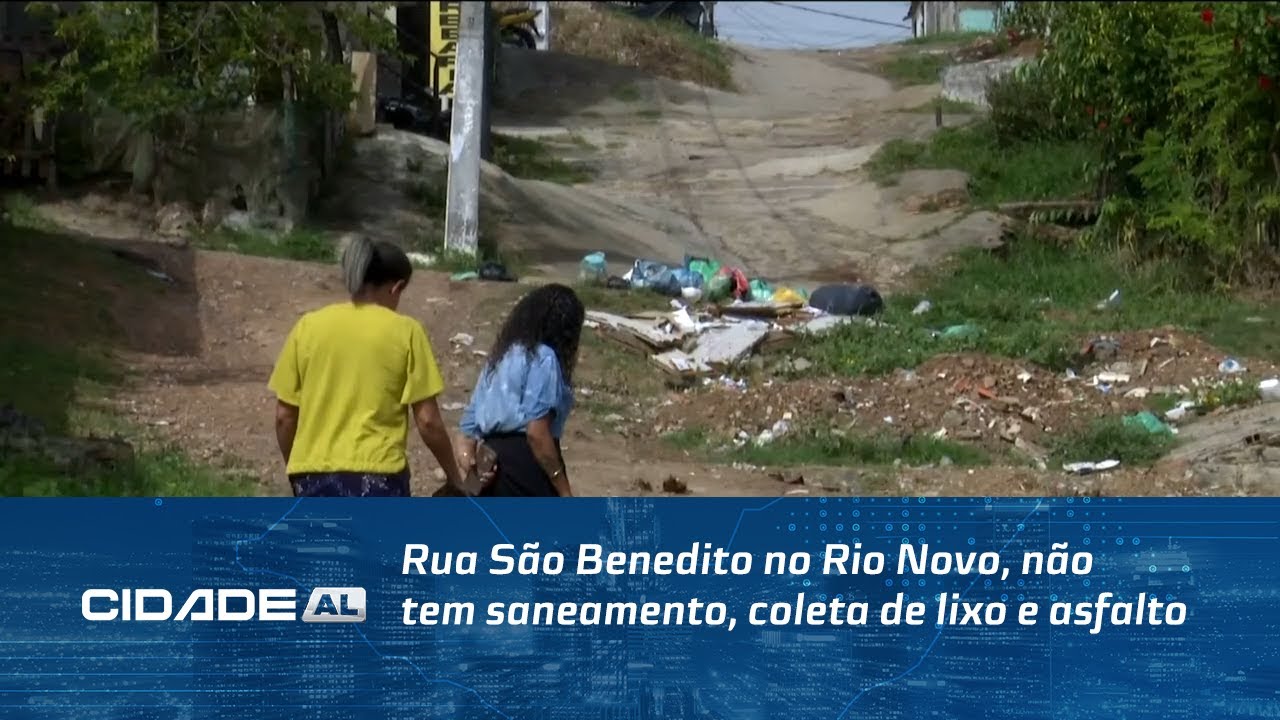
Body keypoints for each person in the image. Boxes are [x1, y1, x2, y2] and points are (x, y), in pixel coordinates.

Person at [267, 235, 464, 497]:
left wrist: (299, 468)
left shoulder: (308, 327)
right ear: (396, 288)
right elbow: (428, 422)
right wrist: (454, 477)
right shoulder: (406, 332)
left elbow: (284, 417)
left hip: (312, 480)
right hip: (378, 480)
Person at [459, 284, 584, 497]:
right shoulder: (544, 357)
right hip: (527, 467)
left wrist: (471, 465)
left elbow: (466, 434)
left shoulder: (498, 359)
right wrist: (564, 490)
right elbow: (537, 433)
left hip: (490, 465)